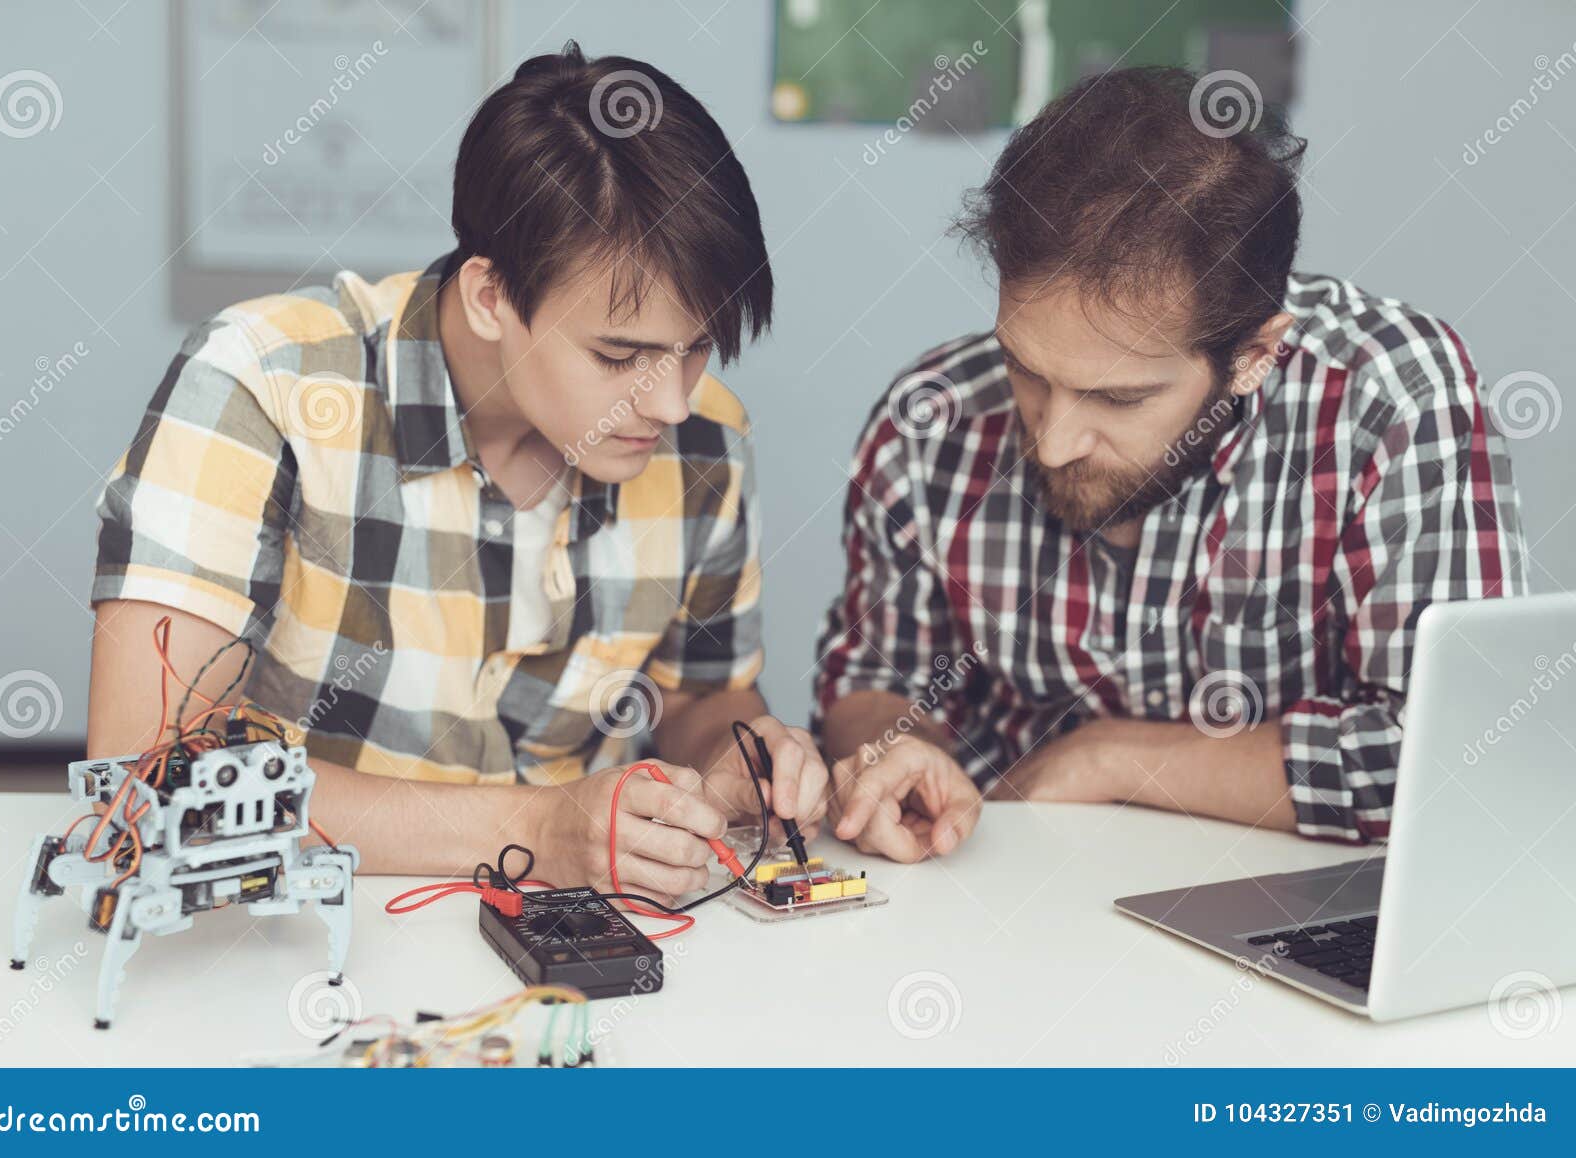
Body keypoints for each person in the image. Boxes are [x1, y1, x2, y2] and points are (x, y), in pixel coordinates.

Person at [87, 43, 827, 898]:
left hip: (587, 948)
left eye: (697, 347)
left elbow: (703, 699)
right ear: (491, 297)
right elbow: (139, 774)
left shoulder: (707, 440)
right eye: (621, 356)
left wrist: (741, 760)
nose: (670, 403)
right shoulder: (264, 387)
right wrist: (535, 830)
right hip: (301, 922)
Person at [814, 66, 1526, 861]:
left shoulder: (1390, 396)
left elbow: (1453, 754)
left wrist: (1116, 758)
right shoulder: (932, 417)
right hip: (999, 882)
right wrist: (893, 756)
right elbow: (870, 684)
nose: (1051, 443)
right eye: (1025, 369)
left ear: (1254, 354)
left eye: (1117, 400)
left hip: (1293, 900)